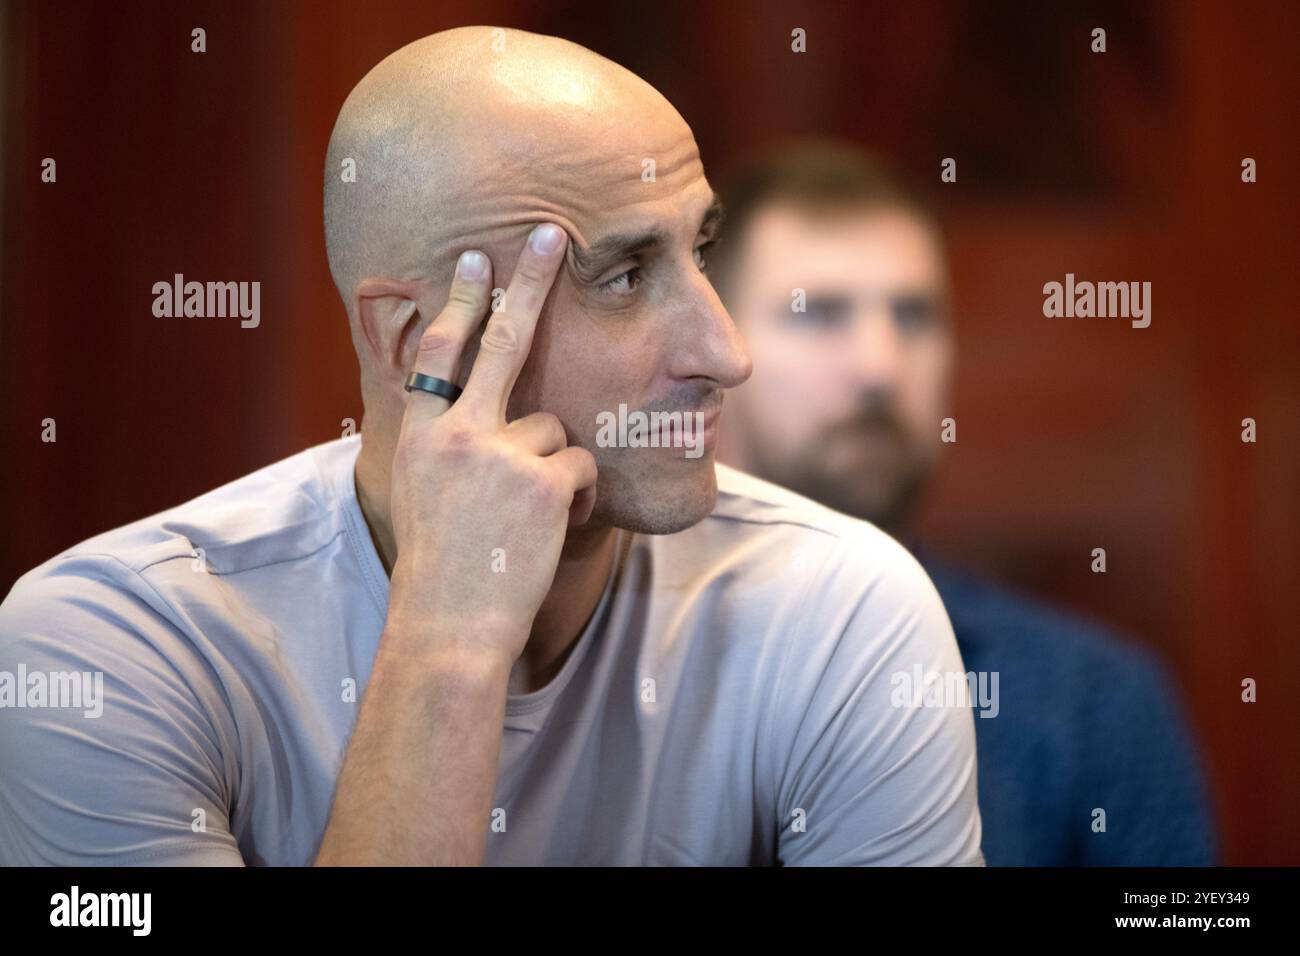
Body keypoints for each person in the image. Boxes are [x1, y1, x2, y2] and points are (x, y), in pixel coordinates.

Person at [0, 30, 983, 866]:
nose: (726, 352)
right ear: (410, 338)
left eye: (701, 251)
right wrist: (449, 637)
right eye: (626, 274)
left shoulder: (837, 606)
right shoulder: (108, 649)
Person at [712, 139, 1217, 865]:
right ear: (713, 349)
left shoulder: (1095, 704)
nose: (880, 366)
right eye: (819, 313)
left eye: (914, 316)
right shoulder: (616, 681)